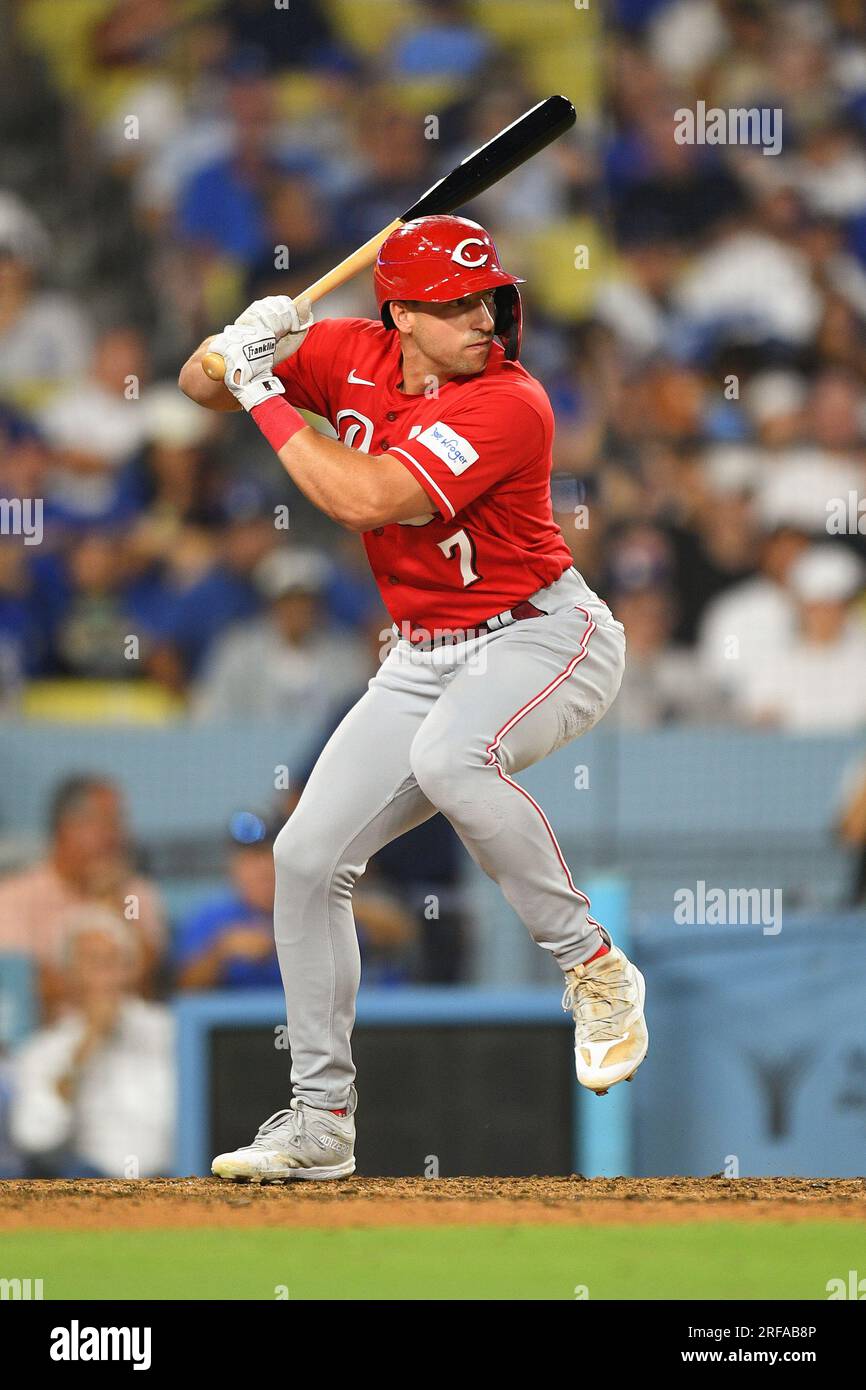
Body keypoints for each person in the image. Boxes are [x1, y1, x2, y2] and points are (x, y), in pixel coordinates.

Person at [180, 214, 648, 1181]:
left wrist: (261, 387)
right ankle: (321, 1121)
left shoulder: (510, 401)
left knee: (450, 759)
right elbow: (198, 385)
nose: (483, 318)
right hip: (423, 650)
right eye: (455, 303)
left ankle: (594, 968)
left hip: (543, 632)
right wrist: (244, 340)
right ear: (399, 315)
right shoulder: (347, 351)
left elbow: (363, 498)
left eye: (489, 299)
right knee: (303, 856)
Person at [9, 908, 174, 1178]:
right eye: (92, 964)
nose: (105, 977)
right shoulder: (43, 1051)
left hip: (175, 1180)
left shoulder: (170, 1031)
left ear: (131, 971)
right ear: (68, 976)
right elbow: (35, 1138)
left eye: (113, 962)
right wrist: (82, 1053)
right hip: (89, 1186)